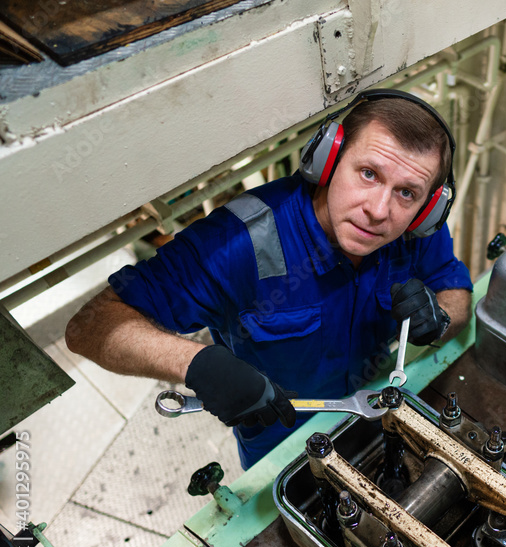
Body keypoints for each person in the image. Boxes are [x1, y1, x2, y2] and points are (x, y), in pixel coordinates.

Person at [65, 90, 473, 469]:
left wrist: (440, 316)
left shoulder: (414, 231)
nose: (379, 210)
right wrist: (196, 363)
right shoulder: (236, 243)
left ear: (428, 208)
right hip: (280, 450)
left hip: (375, 414)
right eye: (368, 173)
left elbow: (455, 290)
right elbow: (89, 327)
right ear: (327, 161)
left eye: (406, 193)